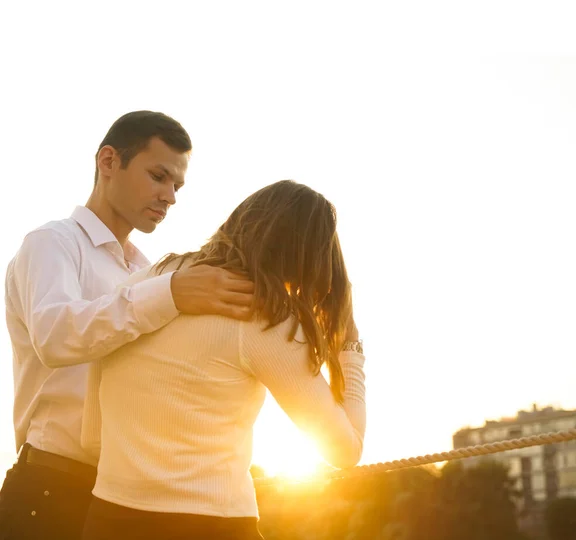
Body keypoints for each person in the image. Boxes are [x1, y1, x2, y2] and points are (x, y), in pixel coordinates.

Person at [0, 111, 254, 540]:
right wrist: (171, 294)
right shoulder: (51, 244)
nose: (170, 196)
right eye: (158, 176)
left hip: (127, 501)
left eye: (177, 186)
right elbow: (56, 336)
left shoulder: (149, 271)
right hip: (51, 488)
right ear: (108, 162)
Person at [80, 179, 367, 540]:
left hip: (107, 520)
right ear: (307, 257)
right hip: (211, 526)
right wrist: (350, 350)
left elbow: (91, 436)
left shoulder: (142, 283)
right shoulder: (261, 314)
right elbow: (345, 450)